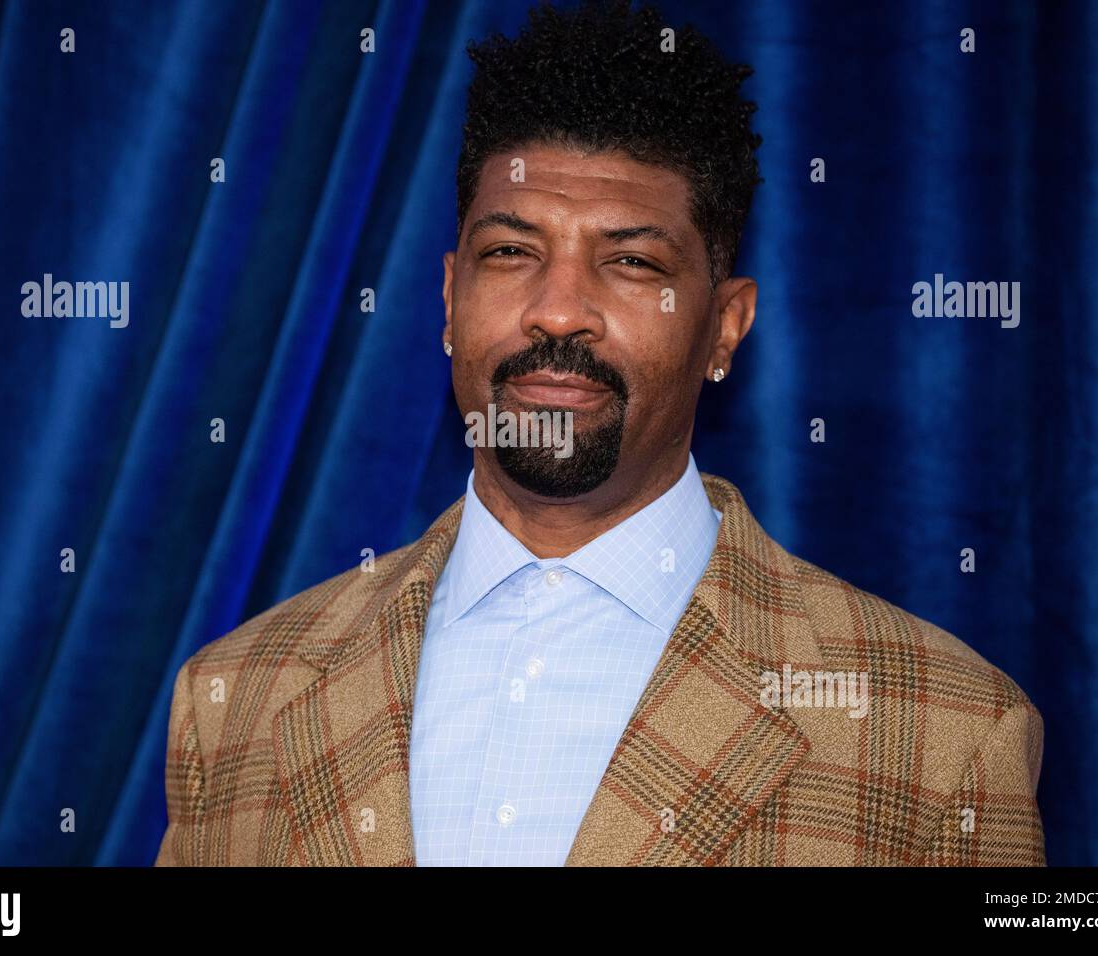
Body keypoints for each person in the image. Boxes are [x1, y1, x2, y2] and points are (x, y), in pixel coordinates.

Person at [155, 0, 1044, 867]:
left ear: (725, 327)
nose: (558, 311)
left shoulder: (945, 732)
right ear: (448, 299)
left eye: (630, 263)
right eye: (510, 252)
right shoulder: (237, 701)